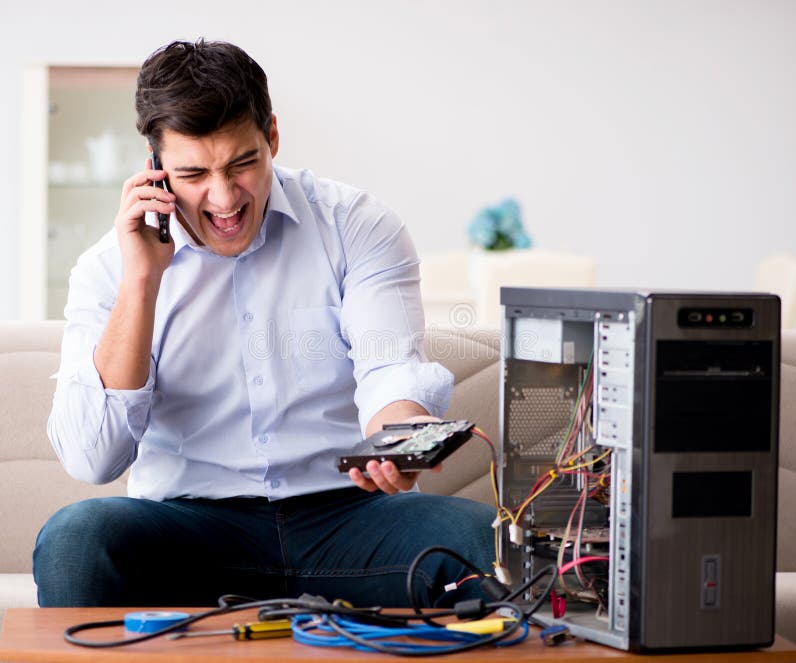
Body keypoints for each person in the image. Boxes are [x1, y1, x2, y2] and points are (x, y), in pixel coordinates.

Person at [33, 38, 494, 608]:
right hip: (190, 527)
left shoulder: (356, 225)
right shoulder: (109, 268)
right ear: (154, 167)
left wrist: (396, 444)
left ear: (271, 136)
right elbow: (92, 459)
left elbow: (390, 366)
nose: (224, 198)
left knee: (479, 538)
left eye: (243, 163)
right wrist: (142, 282)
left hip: (346, 518)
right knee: (75, 543)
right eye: (194, 173)